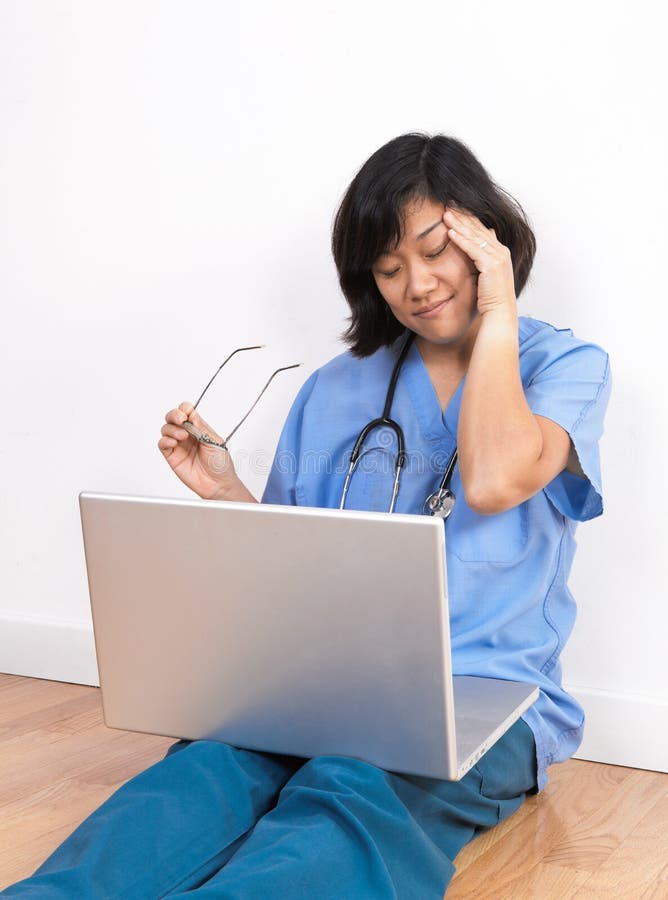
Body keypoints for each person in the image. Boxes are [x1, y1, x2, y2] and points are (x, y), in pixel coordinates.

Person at [4, 133, 610, 898]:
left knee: (350, 790)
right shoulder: (335, 387)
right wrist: (228, 493)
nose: (416, 285)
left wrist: (499, 310)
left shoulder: (565, 368)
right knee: (202, 772)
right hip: (329, 685)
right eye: (388, 269)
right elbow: (296, 578)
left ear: (487, 239)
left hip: (485, 700)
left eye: (435, 252)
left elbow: (492, 480)